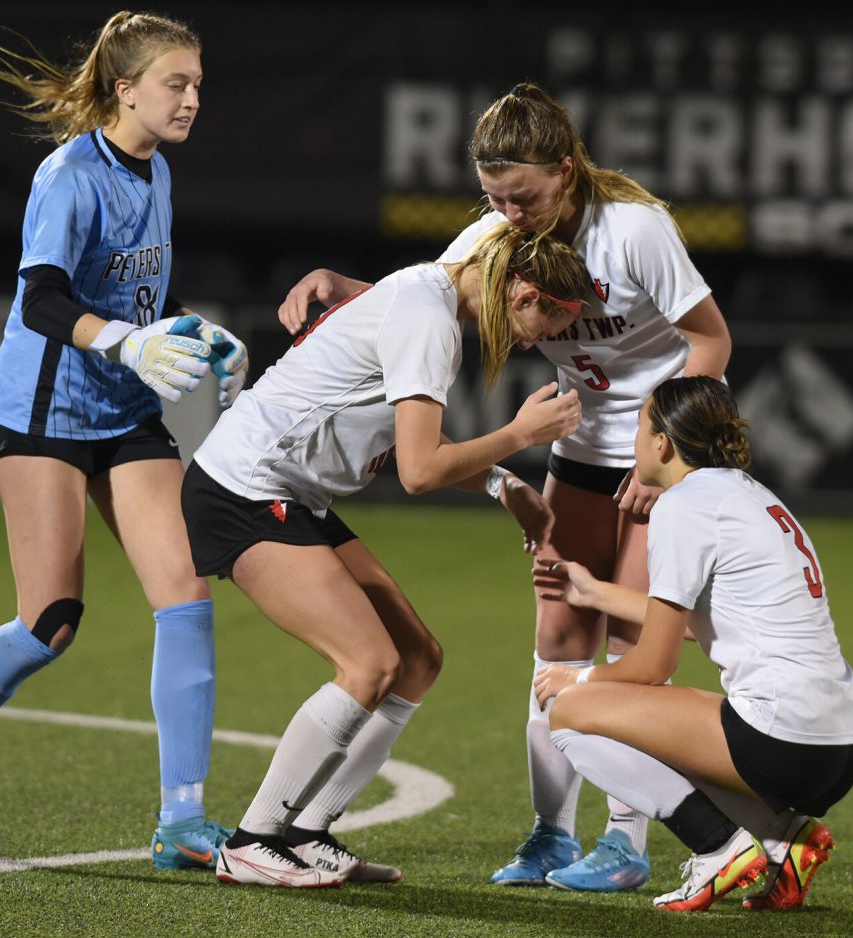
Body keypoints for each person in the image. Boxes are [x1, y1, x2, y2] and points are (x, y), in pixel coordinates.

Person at [276, 82, 732, 891]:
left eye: (522, 197)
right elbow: (430, 288)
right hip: (578, 450)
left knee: (631, 648)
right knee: (557, 641)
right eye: (493, 199)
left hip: (660, 457)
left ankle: (623, 843)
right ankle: (549, 835)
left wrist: (665, 456)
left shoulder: (632, 231)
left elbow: (709, 340)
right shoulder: (501, 228)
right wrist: (338, 283)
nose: (508, 215)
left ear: (565, 169)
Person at [0, 11, 248, 872]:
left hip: (123, 414)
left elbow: (138, 290)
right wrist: (124, 341)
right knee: (51, 622)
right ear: (125, 88)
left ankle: (183, 822)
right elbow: (41, 297)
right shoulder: (69, 173)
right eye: (176, 83)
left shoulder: (154, 169)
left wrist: (191, 328)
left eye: (198, 84)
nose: (193, 99)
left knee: (186, 596)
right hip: (41, 413)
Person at [181, 223, 587, 887]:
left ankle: (307, 831)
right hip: (243, 489)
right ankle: (252, 840)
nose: (544, 337)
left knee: (417, 659)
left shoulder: (440, 291)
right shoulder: (430, 318)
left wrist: (497, 482)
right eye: (551, 317)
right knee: (368, 663)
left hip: (291, 493)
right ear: (521, 290)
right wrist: (517, 436)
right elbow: (421, 471)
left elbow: (405, 445)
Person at [532, 376, 853, 912]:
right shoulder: (748, 494)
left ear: (663, 443)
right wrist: (595, 592)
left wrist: (581, 678)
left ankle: (718, 848)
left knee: (572, 713)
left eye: (640, 428)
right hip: (838, 742)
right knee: (655, 723)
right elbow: (694, 624)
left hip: (784, 736)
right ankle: (788, 840)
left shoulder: (685, 503)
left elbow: (654, 661)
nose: (635, 441)